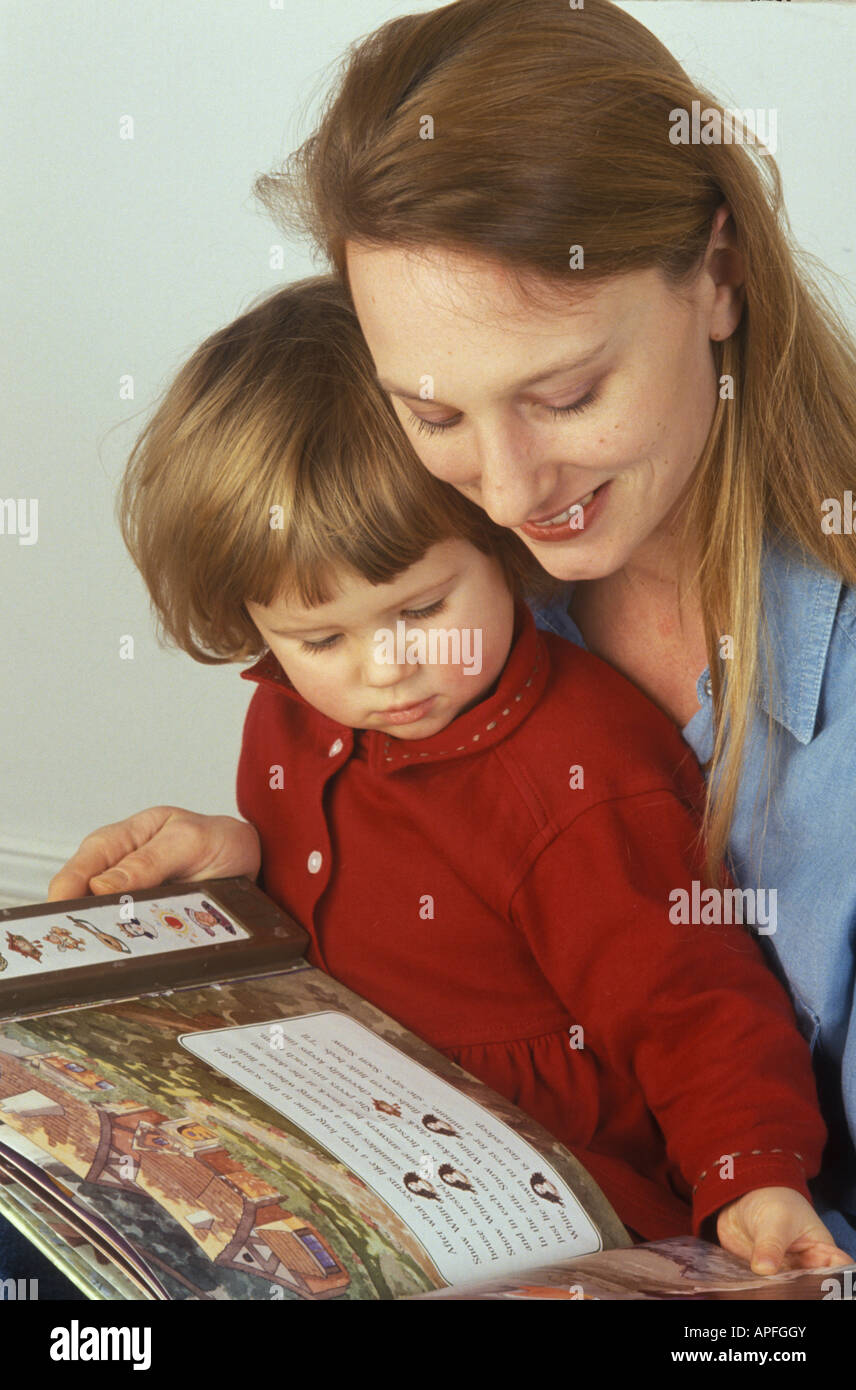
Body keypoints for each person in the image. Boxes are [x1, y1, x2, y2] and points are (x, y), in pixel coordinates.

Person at [48, 276, 851, 1274]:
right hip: (349, 1124)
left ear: (497, 541)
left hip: (556, 1188)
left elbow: (692, 997)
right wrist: (242, 859)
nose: (383, 670)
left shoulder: (577, 773)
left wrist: (753, 1172)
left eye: (422, 610)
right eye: (320, 634)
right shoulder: (298, 709)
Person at [247, 0, 856, 1255]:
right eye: (432, 412)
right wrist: (245, 864)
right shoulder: (447, 593)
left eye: (566, 393)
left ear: (719, 278)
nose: (513, 492)